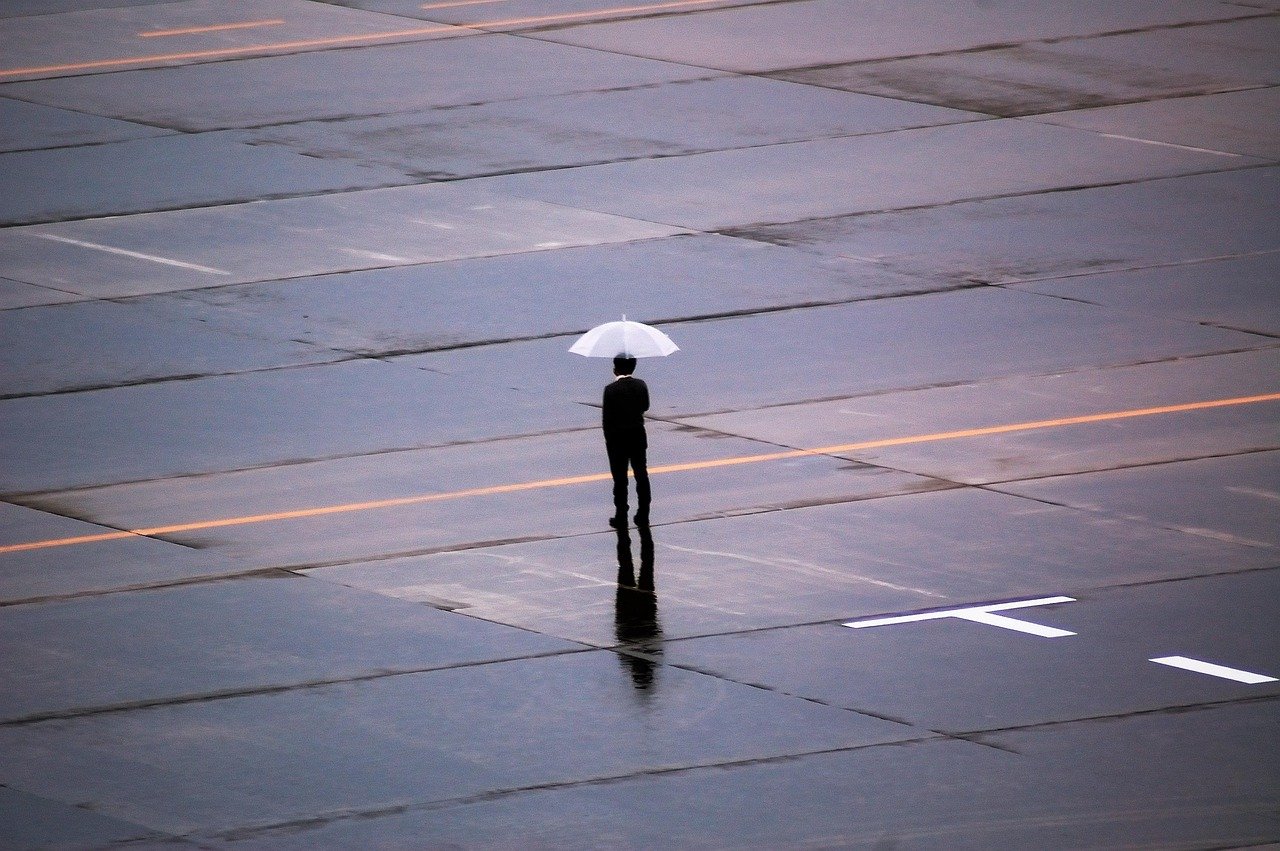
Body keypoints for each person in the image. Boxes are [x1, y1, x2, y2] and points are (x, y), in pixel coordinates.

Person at [602, 354, 650, 528]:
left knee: (620, 479)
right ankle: (643, 512)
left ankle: (621, 514)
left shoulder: (610, 390)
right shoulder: (641, 385)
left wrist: (609, 441)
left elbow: (606, 419)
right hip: (637, 436)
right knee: (641, 474)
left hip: (617, 440)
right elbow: (645, 406)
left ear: (615, 368)